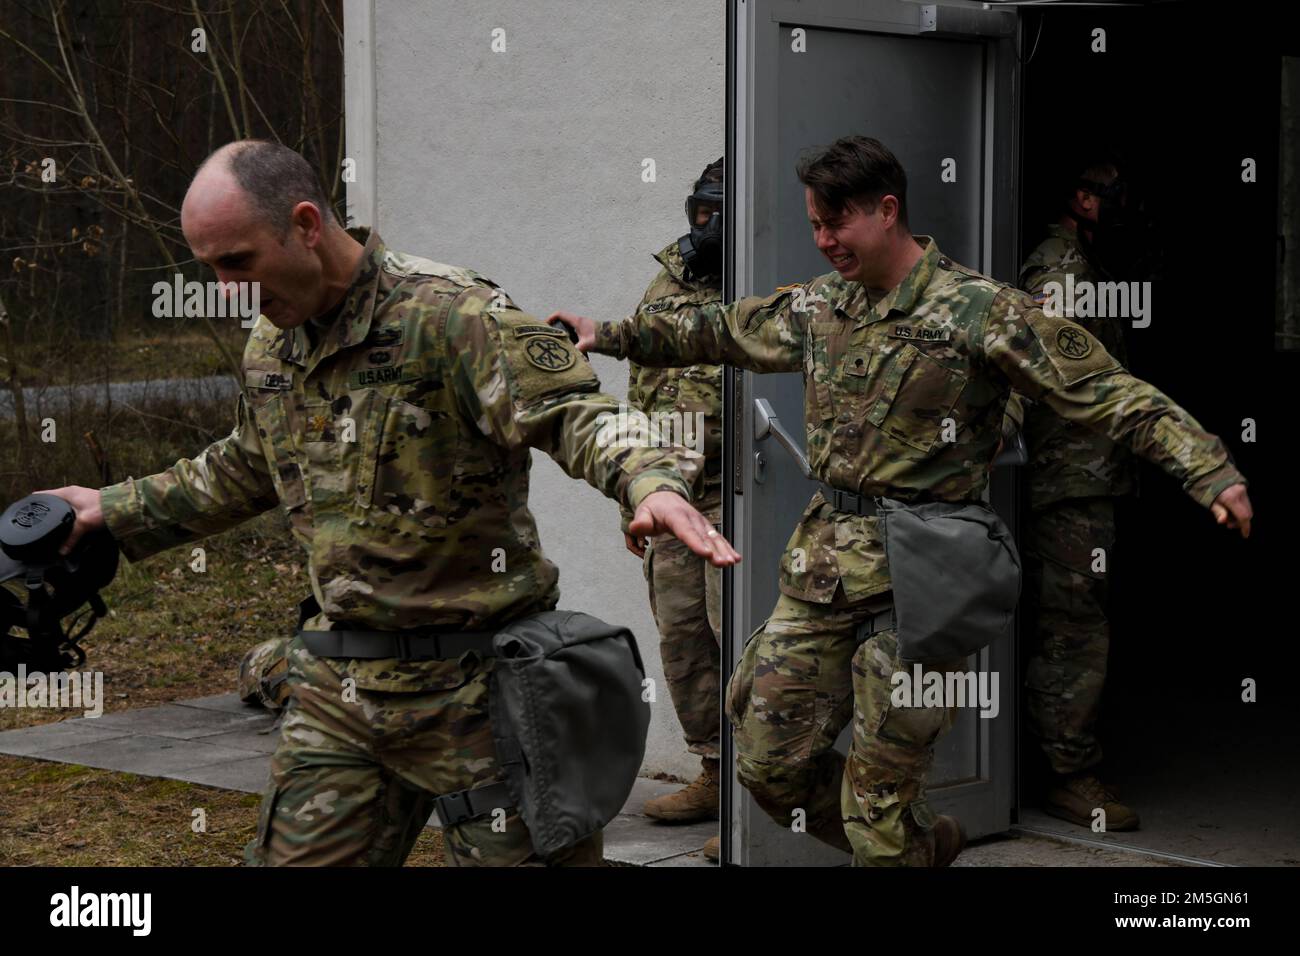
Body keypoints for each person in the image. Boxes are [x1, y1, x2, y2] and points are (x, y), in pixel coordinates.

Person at [549, 135, 1252, 867]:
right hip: (825, 570)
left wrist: (1207, 470)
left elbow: (1106, 392)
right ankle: (921, 846)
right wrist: (609, 335)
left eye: (837, 224)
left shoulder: (981, 311)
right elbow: (721, 329)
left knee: (877, 807)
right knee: (765, 764)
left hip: (924, 576)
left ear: (888, 211)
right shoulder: (821, 305)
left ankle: (894, 845)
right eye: (815, 225)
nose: (824, 242)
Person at [39, 139, 739, 867]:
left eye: (238, 262)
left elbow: (575, 410)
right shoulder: (273, 345)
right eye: (209, 268)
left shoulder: (453, 315)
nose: (226, 290)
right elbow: (248, 467)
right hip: (342, 689)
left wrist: (649, 481)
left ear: (306, 224)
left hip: (480, 696)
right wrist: (112, 507)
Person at [1013, 157, 1142, 830]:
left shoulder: (1078, 264)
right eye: (1109, 193)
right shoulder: (1062, 270)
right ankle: (1067, 773)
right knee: (1073, 628)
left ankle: (1059, 761)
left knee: (1072, 620)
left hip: (1083, 474)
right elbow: (1054, 369)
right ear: (1082, 199)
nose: (1119, 206)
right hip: (1069, 481)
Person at [621, 159, 726, 861]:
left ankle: (762, 800)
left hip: (735, 494)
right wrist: (634, 488)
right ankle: (716, 772)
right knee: (683, 638)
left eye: (721, 213)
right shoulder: (665, 285)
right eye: (700, 212)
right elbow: (639, 393)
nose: (706, 227)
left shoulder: (770, 284)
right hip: (669, 498)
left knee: (743, 642)